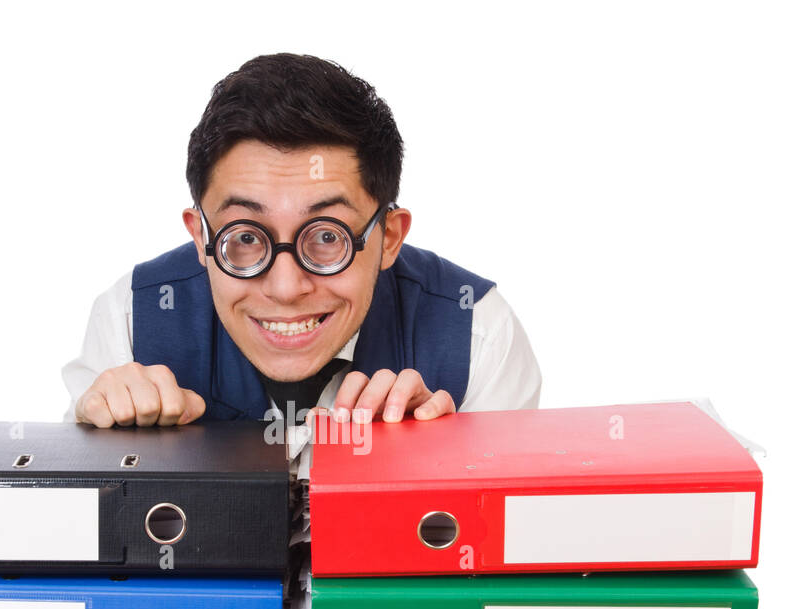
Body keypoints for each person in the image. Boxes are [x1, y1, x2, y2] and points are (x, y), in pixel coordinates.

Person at [62, 53, 541, 435]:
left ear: (389, 237)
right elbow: (70, 538)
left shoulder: (478, 330)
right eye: (245, 238)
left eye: (328, 237)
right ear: (200, 237)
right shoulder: (130, 320)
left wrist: (441, 460)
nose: (286, 288)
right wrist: (99, 445)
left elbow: (508, 549)